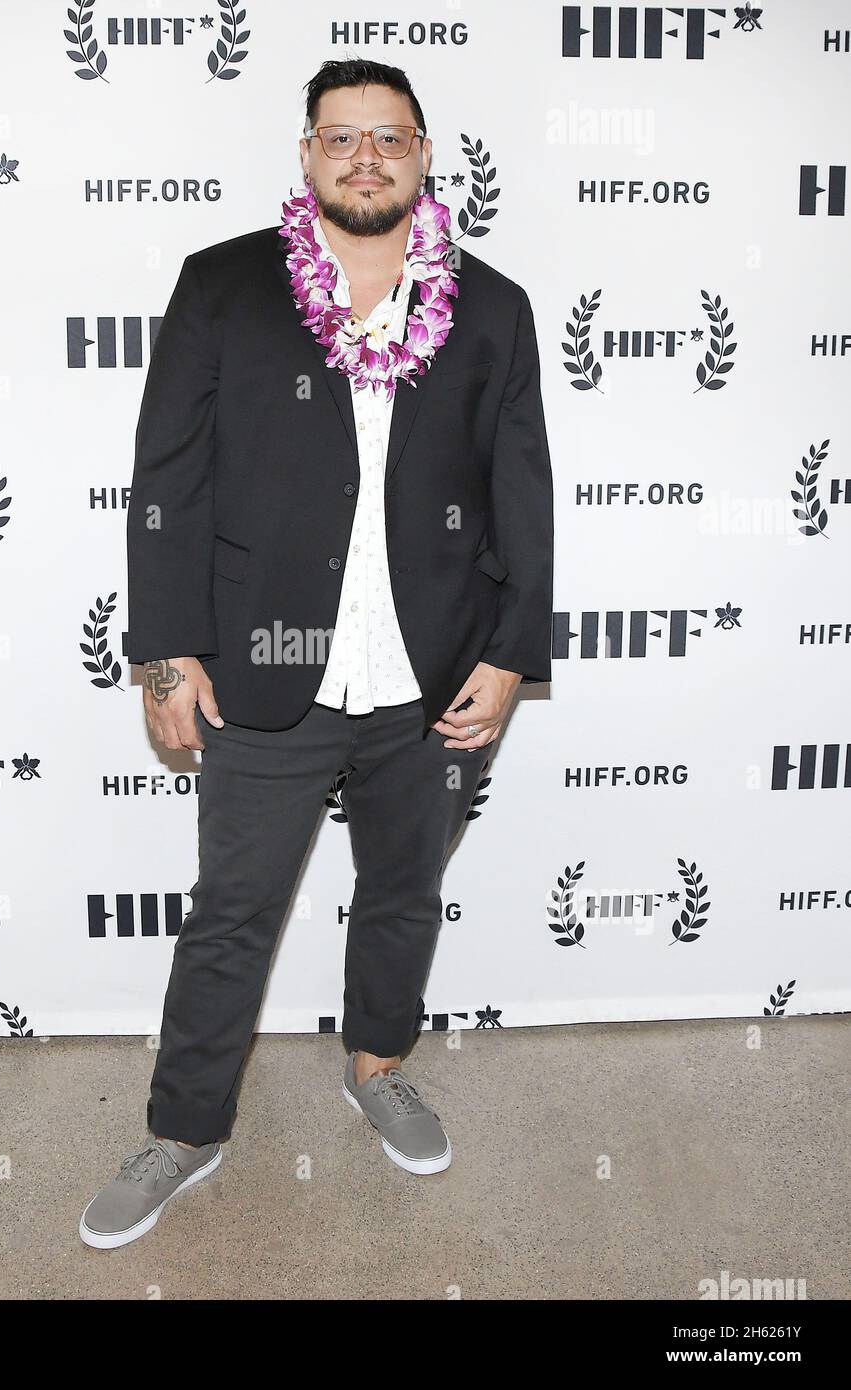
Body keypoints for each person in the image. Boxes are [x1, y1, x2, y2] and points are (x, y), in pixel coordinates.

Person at [79, 58, 553, 1249]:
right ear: (305, 154)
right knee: (232, 910)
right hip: (261, 669)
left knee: (402, 891)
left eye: (386, 136)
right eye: (338, 137)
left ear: (423, 153)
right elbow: (167, 482)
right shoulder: (224, 287)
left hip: (429, 676)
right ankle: (184, 1129)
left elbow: (521, 493)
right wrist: (166, 656)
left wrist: (509, 651)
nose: (363, 157)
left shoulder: (490, 306)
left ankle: (376, 1064)